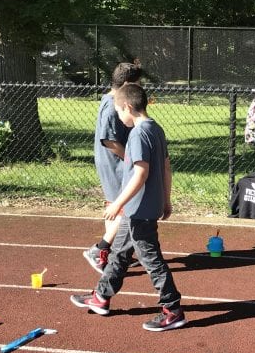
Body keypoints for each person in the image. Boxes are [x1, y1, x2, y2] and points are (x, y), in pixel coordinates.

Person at [71, 83, 186, 331]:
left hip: (138, 210)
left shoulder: (138, 134)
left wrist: (118, 204)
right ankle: (101, 297)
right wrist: (166, 200)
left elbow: (140, 173)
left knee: (151, 260)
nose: (118, 117)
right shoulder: (156, 128)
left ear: (127, 107)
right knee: (120, 255)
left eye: (118, 111)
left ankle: (173, 309)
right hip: (139, 209)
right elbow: (166, 166)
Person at [84, 62, 142, 274]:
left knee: (117, 205)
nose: (140, 88)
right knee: (124, 206)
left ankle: (116, 253)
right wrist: (132, 158)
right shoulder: (111, 106)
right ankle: (100, 250)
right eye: (137, 84)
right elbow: (109, 141)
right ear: (126, 84)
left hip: (116, 161)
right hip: (114, 162)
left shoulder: (113, 101)